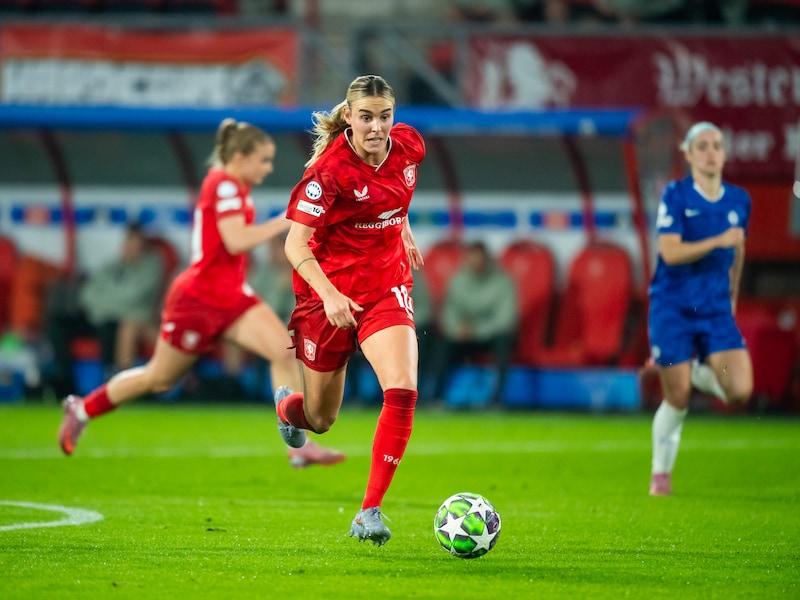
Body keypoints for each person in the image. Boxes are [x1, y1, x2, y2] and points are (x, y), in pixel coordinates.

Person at [56, 118, 341, 472]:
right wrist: (291, 219)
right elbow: (235, 240)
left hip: (233, 298)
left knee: (284, 352)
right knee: (158, 378)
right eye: (263, 160)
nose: (267, 169)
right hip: (198, 300)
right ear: (240, 157)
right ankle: (82, 409)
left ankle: (297, 446)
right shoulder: (223, 185)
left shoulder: (232, 185)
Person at [274, 74, 425, 546]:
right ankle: (286, 408)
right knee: (320, 419)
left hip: (386, 285)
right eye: (366, 118)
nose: (377, 128)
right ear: (350, 118)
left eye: (385, 117)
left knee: (401, 389)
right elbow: (294, 244)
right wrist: (330, 295)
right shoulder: (328, 174)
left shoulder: (409, 146)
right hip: (329, 295)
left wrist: (400, 228)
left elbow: (390, 197)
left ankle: (369, 511)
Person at [648, 121, 753, 497]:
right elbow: (670, 252)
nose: (710, 152)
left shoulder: (739, 200)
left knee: (739, 389)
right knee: (677, 396)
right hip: (673, 307)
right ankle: (660, 477)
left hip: (714, 311)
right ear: (688, 154)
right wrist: (717, 240)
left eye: (717, 145)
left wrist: (734, 297)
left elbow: (737, 251)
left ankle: (698, 369)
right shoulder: (676, 196)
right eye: (702, 146)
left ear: (724, 154)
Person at [45, 223, 164, 398]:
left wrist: (105, 304)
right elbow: (87, 294)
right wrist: (103, 307)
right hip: (98, 315)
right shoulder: (112, 265)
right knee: (57, 321)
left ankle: (111, 386)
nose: (129, 246)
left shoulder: (151, 265)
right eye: (128, 241)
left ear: (142, 245)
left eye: (134, 242)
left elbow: (133, 297)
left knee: (112, 326)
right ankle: (63, 378)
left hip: (125, 319)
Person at [430, 240, 518, 407]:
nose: (475, 263)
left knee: (504, 342)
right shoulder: (458, 280)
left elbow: (505, 320)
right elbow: (449, 312)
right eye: (472, 258)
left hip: (490, 336)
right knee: (442, 344)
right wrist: (456, 329)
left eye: (479, 259)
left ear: (487, 259)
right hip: (462, 335)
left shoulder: (503, 281)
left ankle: (497, 400)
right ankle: (436, 398)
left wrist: (476, 330)